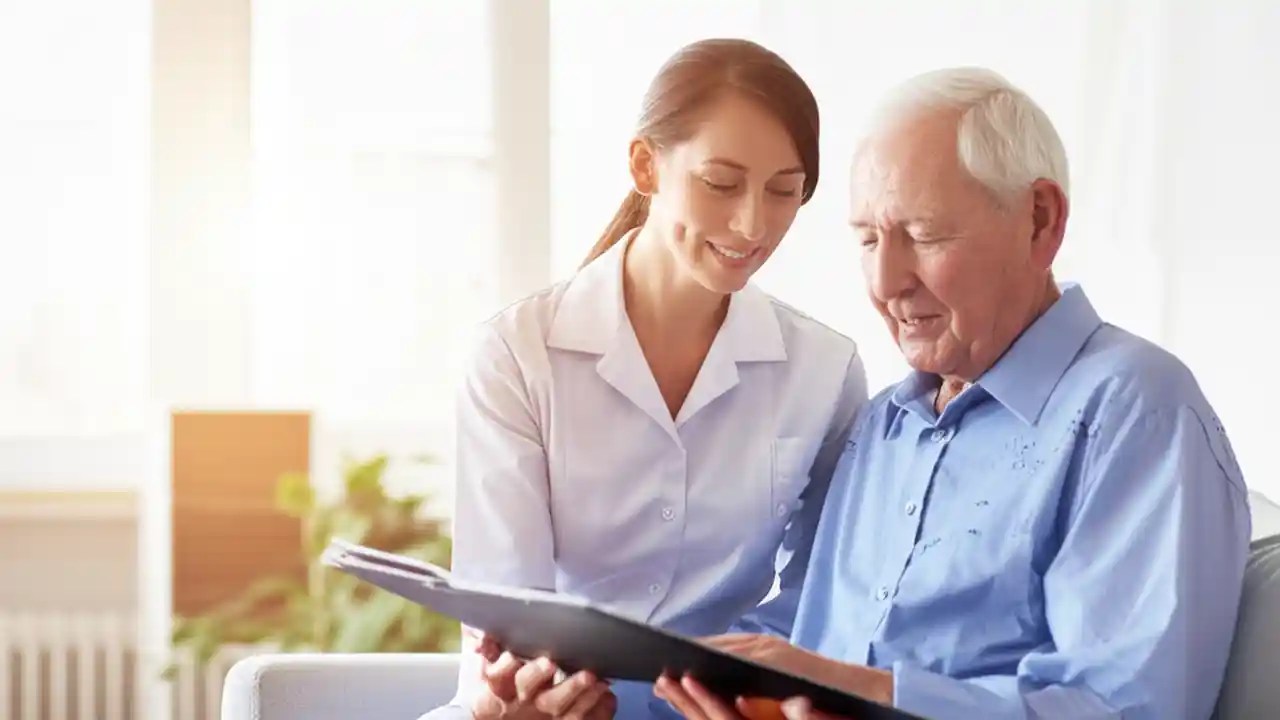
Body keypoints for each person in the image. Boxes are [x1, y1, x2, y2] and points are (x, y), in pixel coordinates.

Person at [655, 67, 1251, 720]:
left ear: (1039, 221)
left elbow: (1119, 710)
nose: (886, 282)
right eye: (868, 239)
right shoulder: (884, 424)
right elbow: (809, 638)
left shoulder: (1136, 413)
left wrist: (863, 696)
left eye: (926, 235)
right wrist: (612, 682)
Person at [422, 39, 869, 720]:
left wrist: (751, 694)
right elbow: (503, 619)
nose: (753, 224)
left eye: (785, 191)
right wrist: (523, 694)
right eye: (721, 183)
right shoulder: (517, 356)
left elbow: (823, 605)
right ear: (645, 165)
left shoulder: (824, 371)